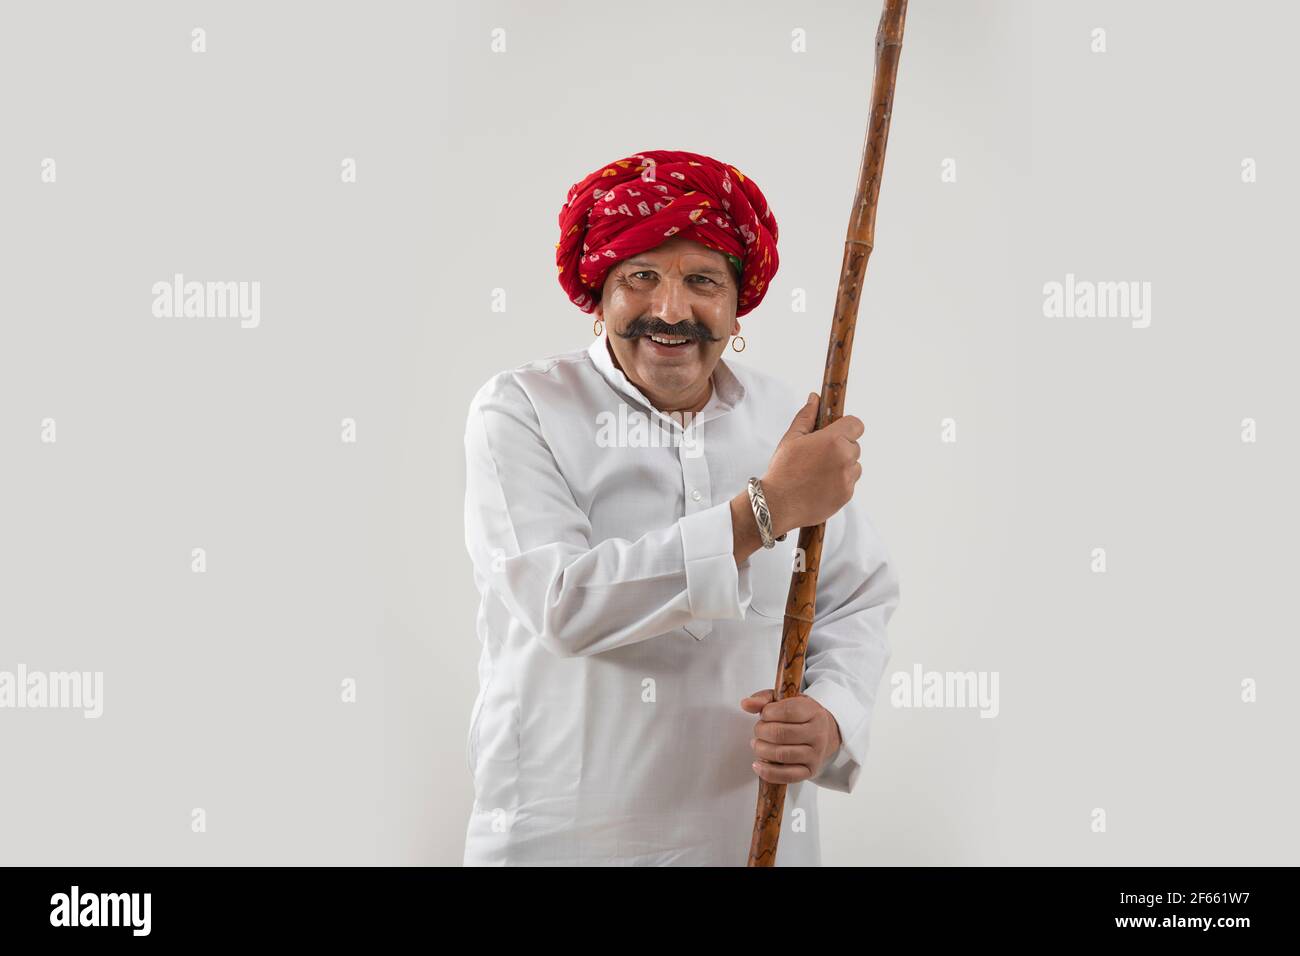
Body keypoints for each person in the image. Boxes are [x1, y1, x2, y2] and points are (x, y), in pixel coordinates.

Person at [461, 149, 900, 865]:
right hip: (561, 839)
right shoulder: (522, 409)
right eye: (641, 277)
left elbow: (856, 598)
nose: (671, 310)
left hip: (753, 840)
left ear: (736, 305)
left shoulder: (786, 421)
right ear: (600, 295)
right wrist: (765, 510)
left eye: (702, 281)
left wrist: (833, 717)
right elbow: (563, 604)